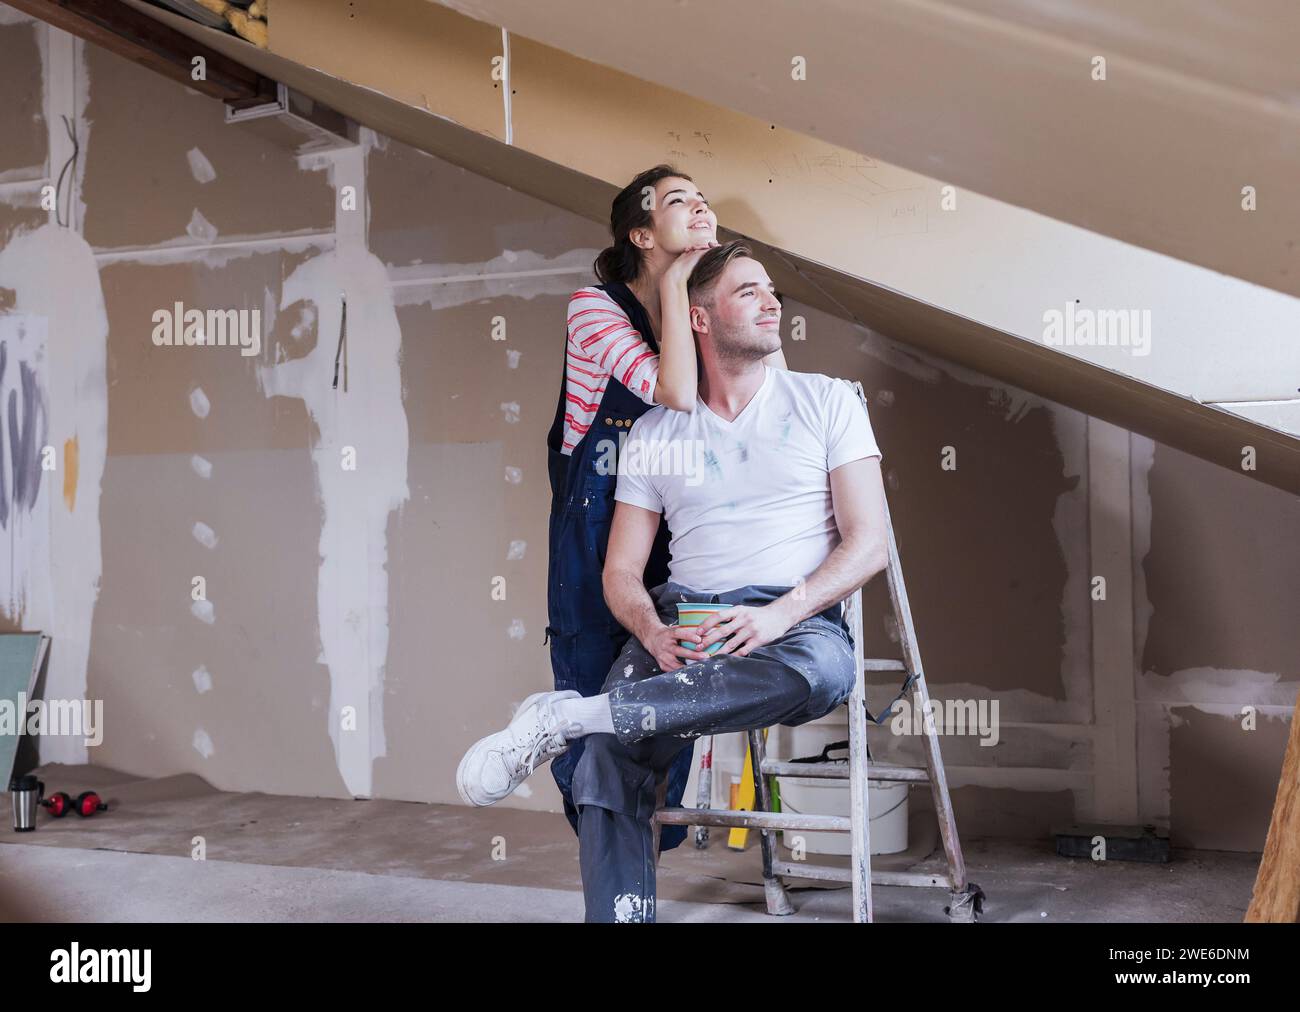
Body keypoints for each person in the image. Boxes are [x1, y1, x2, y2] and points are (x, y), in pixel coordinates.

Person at [458, 242, 889, 921]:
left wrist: (777, 616)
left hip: (796, 624)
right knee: (606, 758)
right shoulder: (655, 434)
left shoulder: (826, 401)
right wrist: (652, 631)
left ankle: (568, 717)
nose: (773, 301)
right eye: (749, 291)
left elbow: (870, 545)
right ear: (699, 318)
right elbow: (621, 572)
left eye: (770, 289)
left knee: (820, 675)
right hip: (684, 621)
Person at [535, 165, 785, 851]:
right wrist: (677, 283)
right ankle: (606, 837)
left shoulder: (701, 304)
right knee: (590, 685)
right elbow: (673, 392)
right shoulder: (594, 308)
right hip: (595, 524)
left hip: (679, 518)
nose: (701, 207)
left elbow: (764, 391)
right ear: (642, 233)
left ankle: (643, 838)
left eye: (705, 198)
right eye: (680, 201)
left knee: (672, 682)